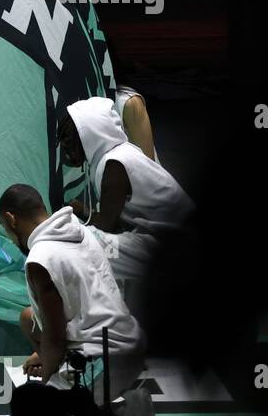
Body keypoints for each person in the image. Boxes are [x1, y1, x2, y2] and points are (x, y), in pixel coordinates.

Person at [0, 183, 163, 416]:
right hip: (131, 342)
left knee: (43, 410)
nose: (11, 238)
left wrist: (48, 377)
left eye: (6, 228)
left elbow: (55, 337)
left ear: (12, 219)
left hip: (104, 360)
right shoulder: (78, 230)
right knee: (28, 318)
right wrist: (44, 355)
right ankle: (107, 400)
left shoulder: (40, 259)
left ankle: (124, 411)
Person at [59, 95, 193, 322]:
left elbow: (108, 225)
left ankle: (94, 320)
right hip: (176, 240)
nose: (66, 149)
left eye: (70, 140)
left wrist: (81, 212)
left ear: (89, 135)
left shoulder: (114, 165)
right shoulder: (121, 153)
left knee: (88, 246)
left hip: (174, 247)